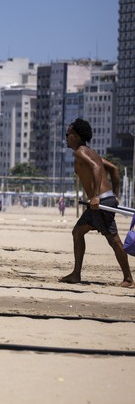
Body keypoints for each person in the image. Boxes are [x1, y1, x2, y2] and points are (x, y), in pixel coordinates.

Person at [59, 118, 132, 288]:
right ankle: (76, 274)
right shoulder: (92, 153)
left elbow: (97, 168)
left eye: (68, 134)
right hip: (104, 200)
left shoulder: (80, 152)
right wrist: (115, 195)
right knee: (78, 232)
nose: (66, 137)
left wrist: (96, 196)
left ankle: (129, 279)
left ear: (76, 136)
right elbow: (114, 169)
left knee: (113, 240)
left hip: (100, 202)